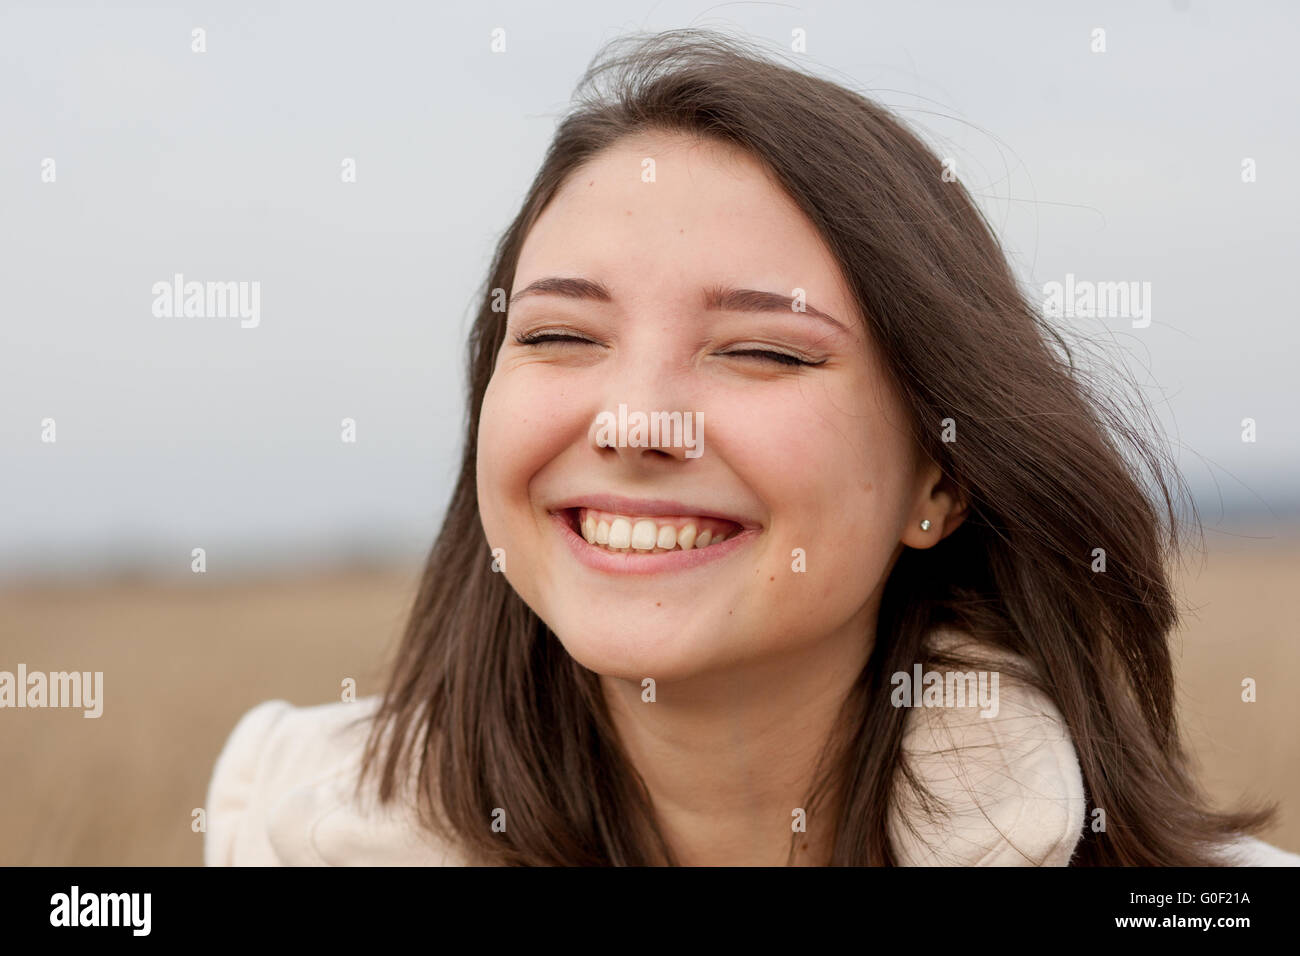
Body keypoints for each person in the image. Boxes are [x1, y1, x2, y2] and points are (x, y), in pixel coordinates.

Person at [205, 29, 1298, 867]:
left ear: (942, 474)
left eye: (763, 351)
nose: (635, 422)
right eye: (557, 335)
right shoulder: (287, 834)